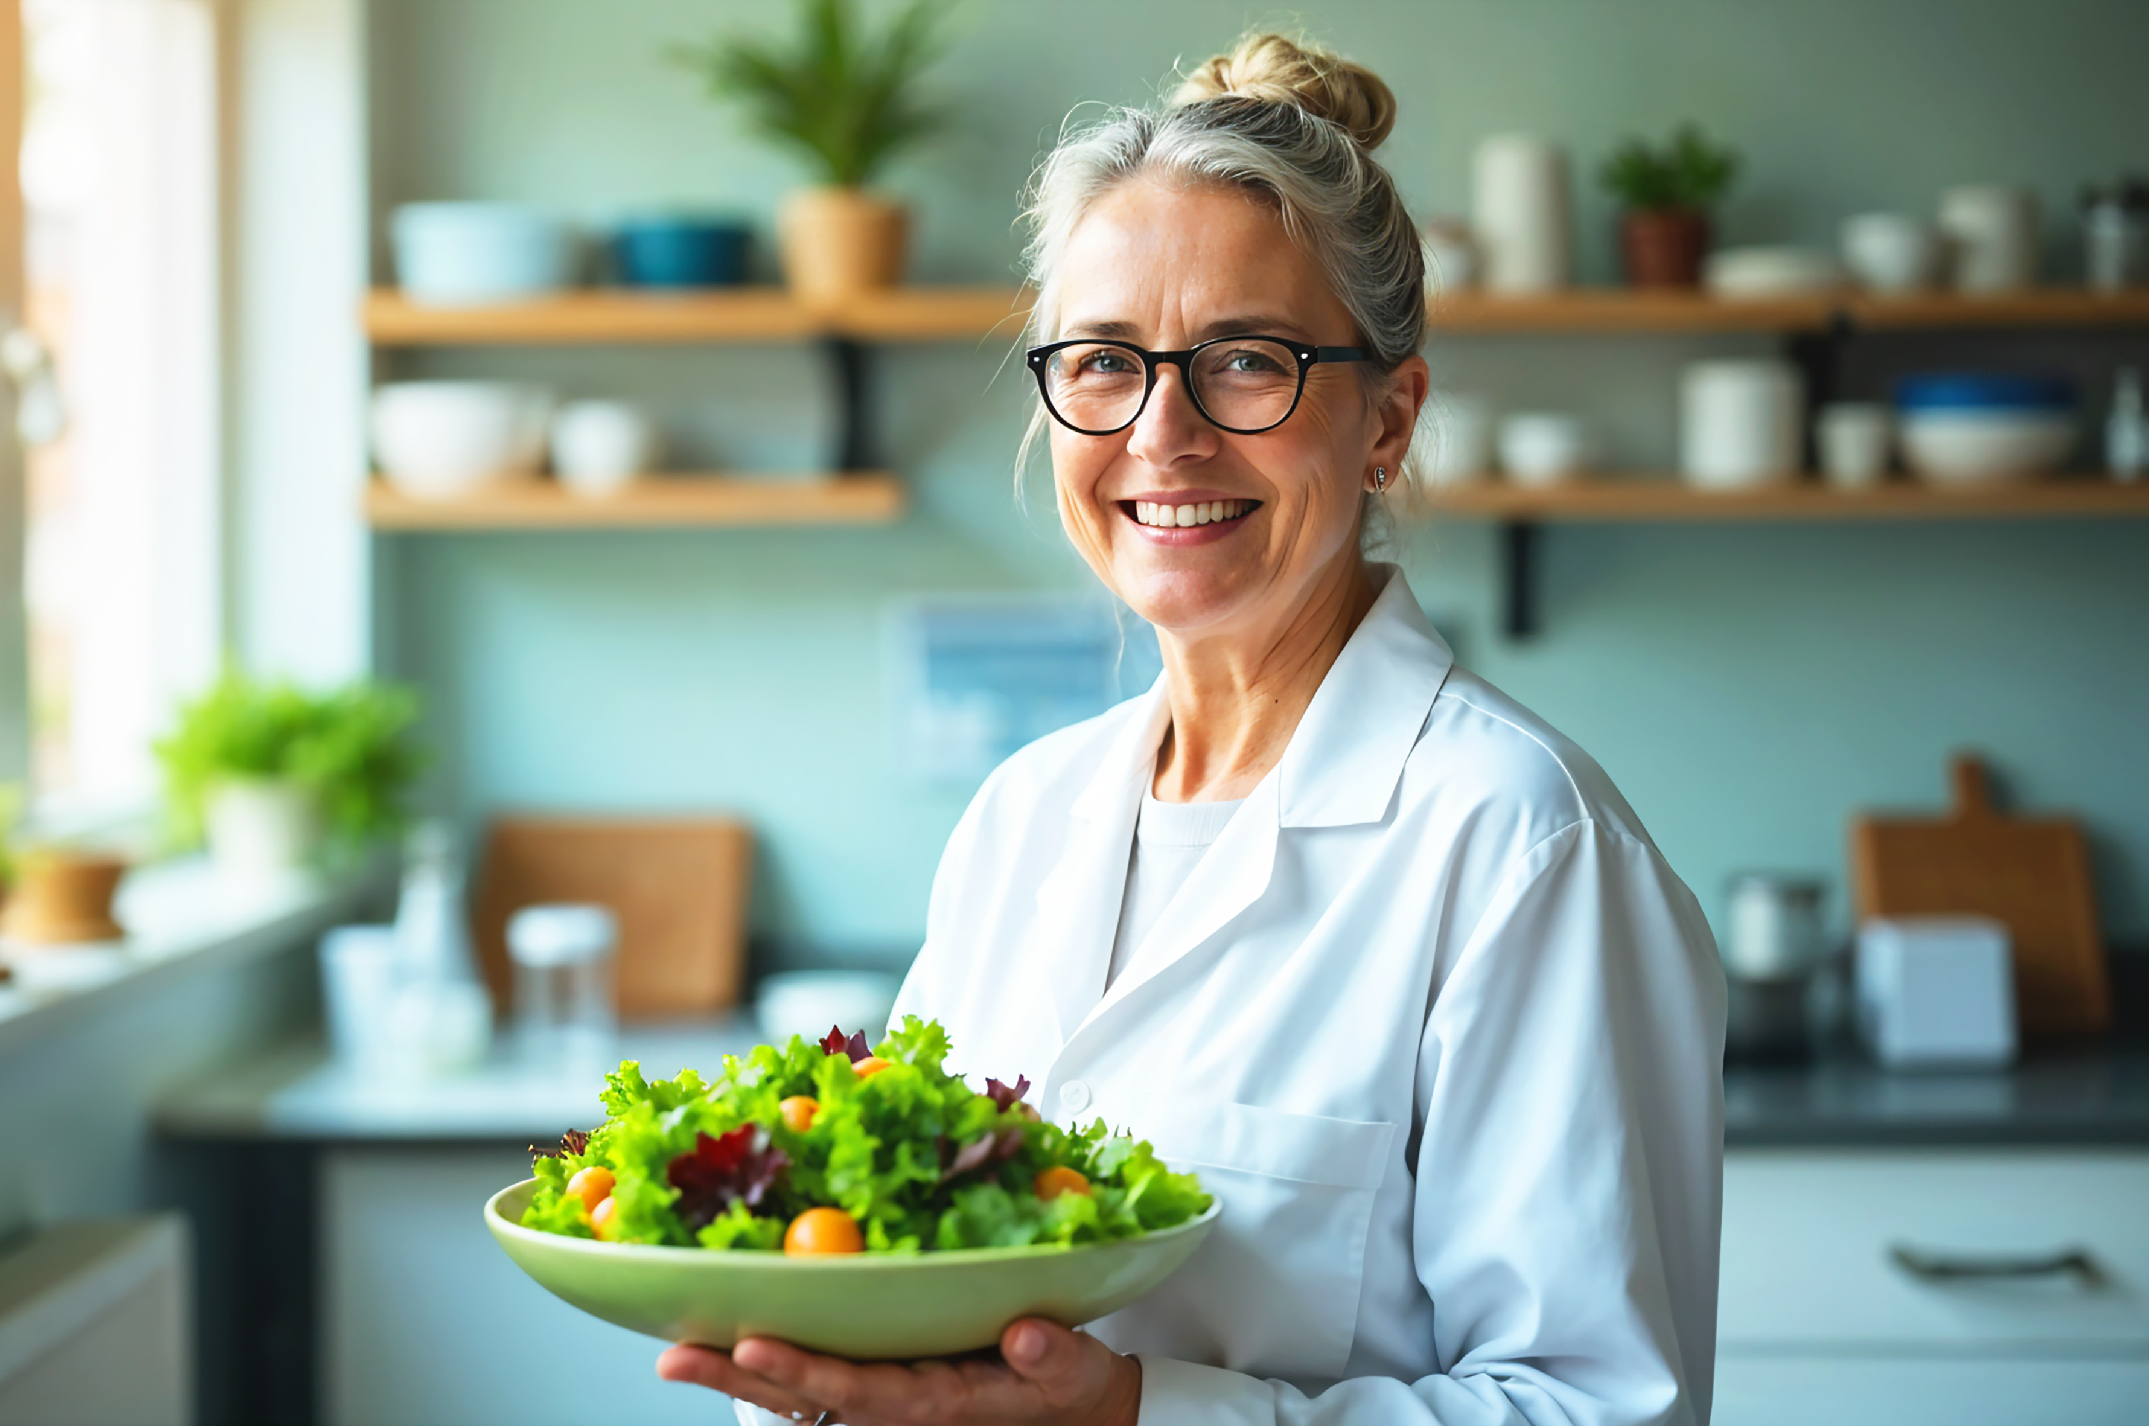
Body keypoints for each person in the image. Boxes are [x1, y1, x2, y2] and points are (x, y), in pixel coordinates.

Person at [662, 32, 1725, 1426]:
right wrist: (813, 1375)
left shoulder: (1520, 845)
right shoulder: (1023, 819)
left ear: (1389, 420)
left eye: (1245, 360)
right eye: (1104, 361)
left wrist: (1130, 1412)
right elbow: (894, 1272)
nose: (1162, 433)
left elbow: (1600, 1407)